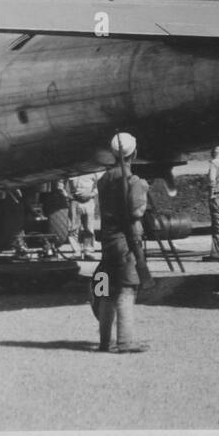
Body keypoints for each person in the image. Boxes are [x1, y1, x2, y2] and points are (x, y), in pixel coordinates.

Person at [93, 132, 150, 353]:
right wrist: (143, 189)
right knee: (126, 290)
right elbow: (135, 210)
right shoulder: (133, 182)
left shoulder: (104, 180)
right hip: (126, 243)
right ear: (134, 153)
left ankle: (105, 342)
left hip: (107, 242)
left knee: (107, 292)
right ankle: (126, 342)